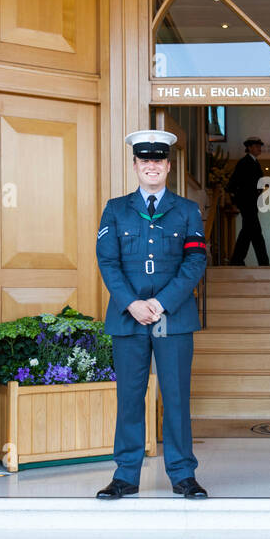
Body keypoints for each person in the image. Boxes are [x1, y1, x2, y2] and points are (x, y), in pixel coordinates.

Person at [94, 129, 209, 499]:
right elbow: (108, 261)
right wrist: (132, 303)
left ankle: (182, 474)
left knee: (175, 396)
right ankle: (126, 475)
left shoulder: (188, 211)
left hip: (172, 318)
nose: (152, 167)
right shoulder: (115, 209)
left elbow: (195, 262)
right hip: (128, 318)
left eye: (158, 160)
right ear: (135, 166)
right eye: (145, 161)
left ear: (168, 166)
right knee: (129, 397)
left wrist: (160, 304)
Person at [226, 136, 270, 266]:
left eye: (259, 146)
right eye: (256, 146)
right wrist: (237, 202)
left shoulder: (254, 163)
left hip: (251, 204)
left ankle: (237, 260)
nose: (259, 148)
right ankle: (263, 262)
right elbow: (233, 184)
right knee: (256, 233)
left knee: (247, 232)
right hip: (247, 204)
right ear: (249, 148)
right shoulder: (244, 163)